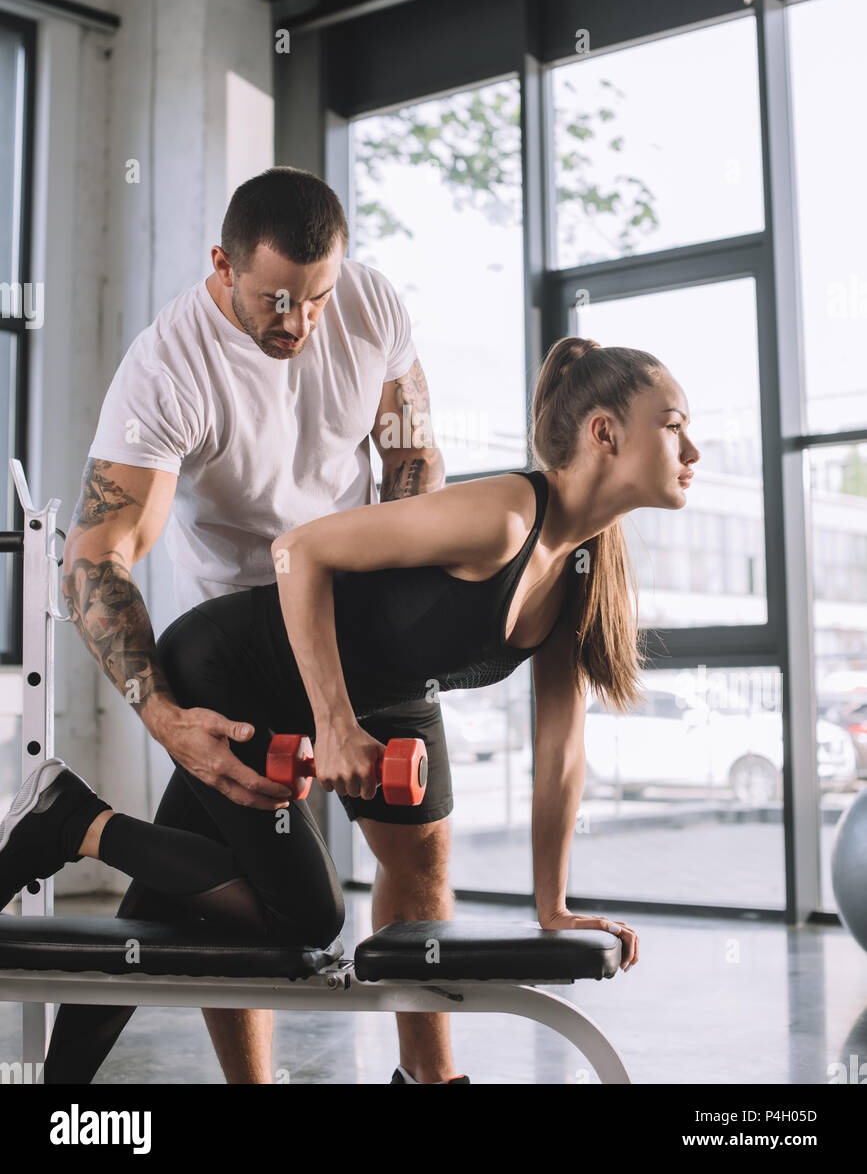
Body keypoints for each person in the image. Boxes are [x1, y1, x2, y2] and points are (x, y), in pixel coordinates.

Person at [0, 336, 700, 1083]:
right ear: (603, 432)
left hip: (330, 692)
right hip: (229, 671)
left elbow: (560, 754)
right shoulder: (502, 516)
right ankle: (75, 820)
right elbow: (299, 551)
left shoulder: (576, 576)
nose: (691, 448)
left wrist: (552, 905)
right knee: (305, 919)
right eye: (673, 424)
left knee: (165, 905)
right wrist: (335, 723)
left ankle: (58, 1079)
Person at [37, 165, 461, 1086]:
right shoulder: (166, 367)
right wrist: (164, 716)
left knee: (418, 855)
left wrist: (396, 584)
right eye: (275, 298)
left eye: (317, 298)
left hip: (359, 616)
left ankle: (427, 1081)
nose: (299, 324)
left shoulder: (370, 303)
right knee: (266, 909)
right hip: (245, 644)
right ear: (222, 265)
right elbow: (95, 555)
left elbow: (413, 446)